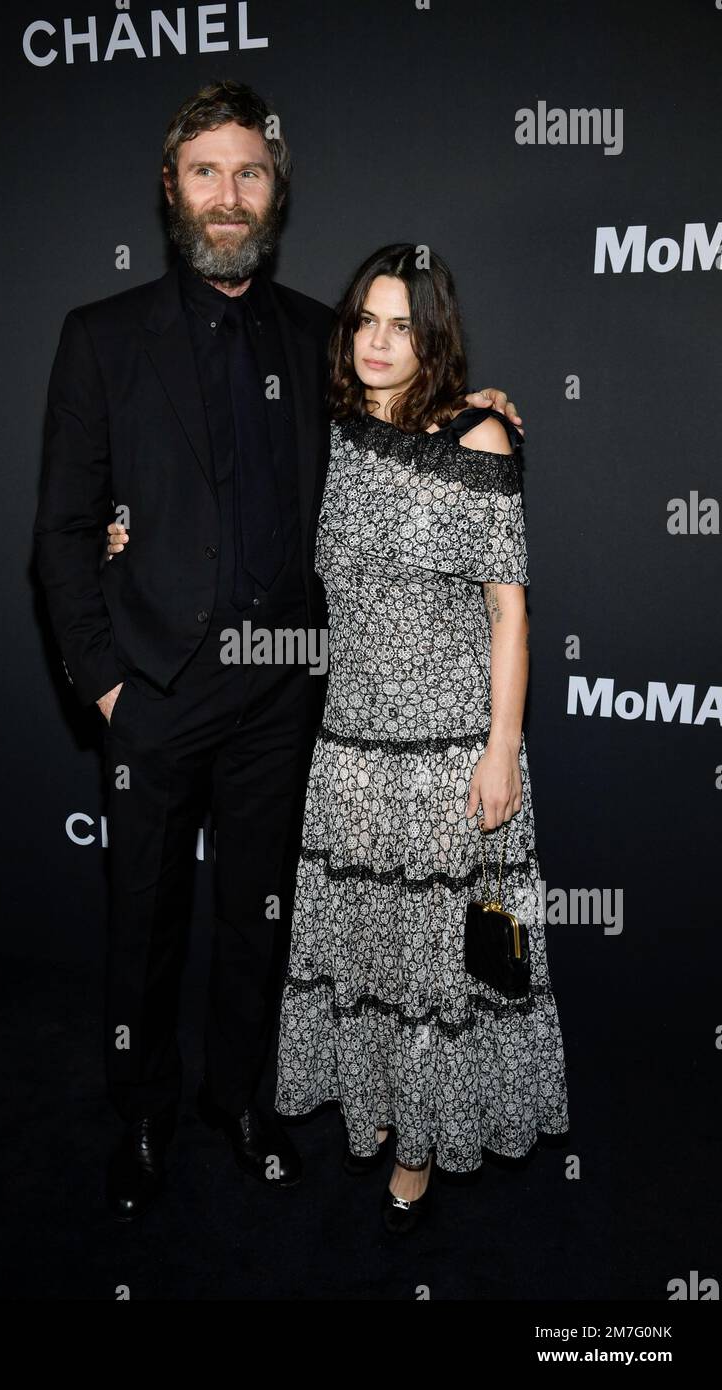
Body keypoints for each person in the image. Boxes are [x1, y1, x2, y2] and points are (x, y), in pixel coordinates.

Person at [38, 78, 520, 1223]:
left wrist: (476, 416)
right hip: (150, 692)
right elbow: (62, 532)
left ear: (275, 192)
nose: (226, 193)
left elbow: (406, 419)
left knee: (258, 917)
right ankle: (143, 1114)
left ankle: (237, 1103)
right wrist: (105, 682)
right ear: (172, 189)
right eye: (204, 170)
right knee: (143, 922)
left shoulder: (321, 337)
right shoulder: (100, 339)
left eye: (247, 171)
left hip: (286, 699)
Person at [269, 244, 569, 1234]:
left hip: (448, 752)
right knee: (371, 957)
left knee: (451, 961)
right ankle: (379, 1110)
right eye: (364, 320)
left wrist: (499, 749)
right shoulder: (341, 434)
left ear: (432, 334)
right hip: (349, 745)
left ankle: (421, 1143)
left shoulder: (476, 438)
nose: (378, 341)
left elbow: (509, 616)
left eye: (401, 324)